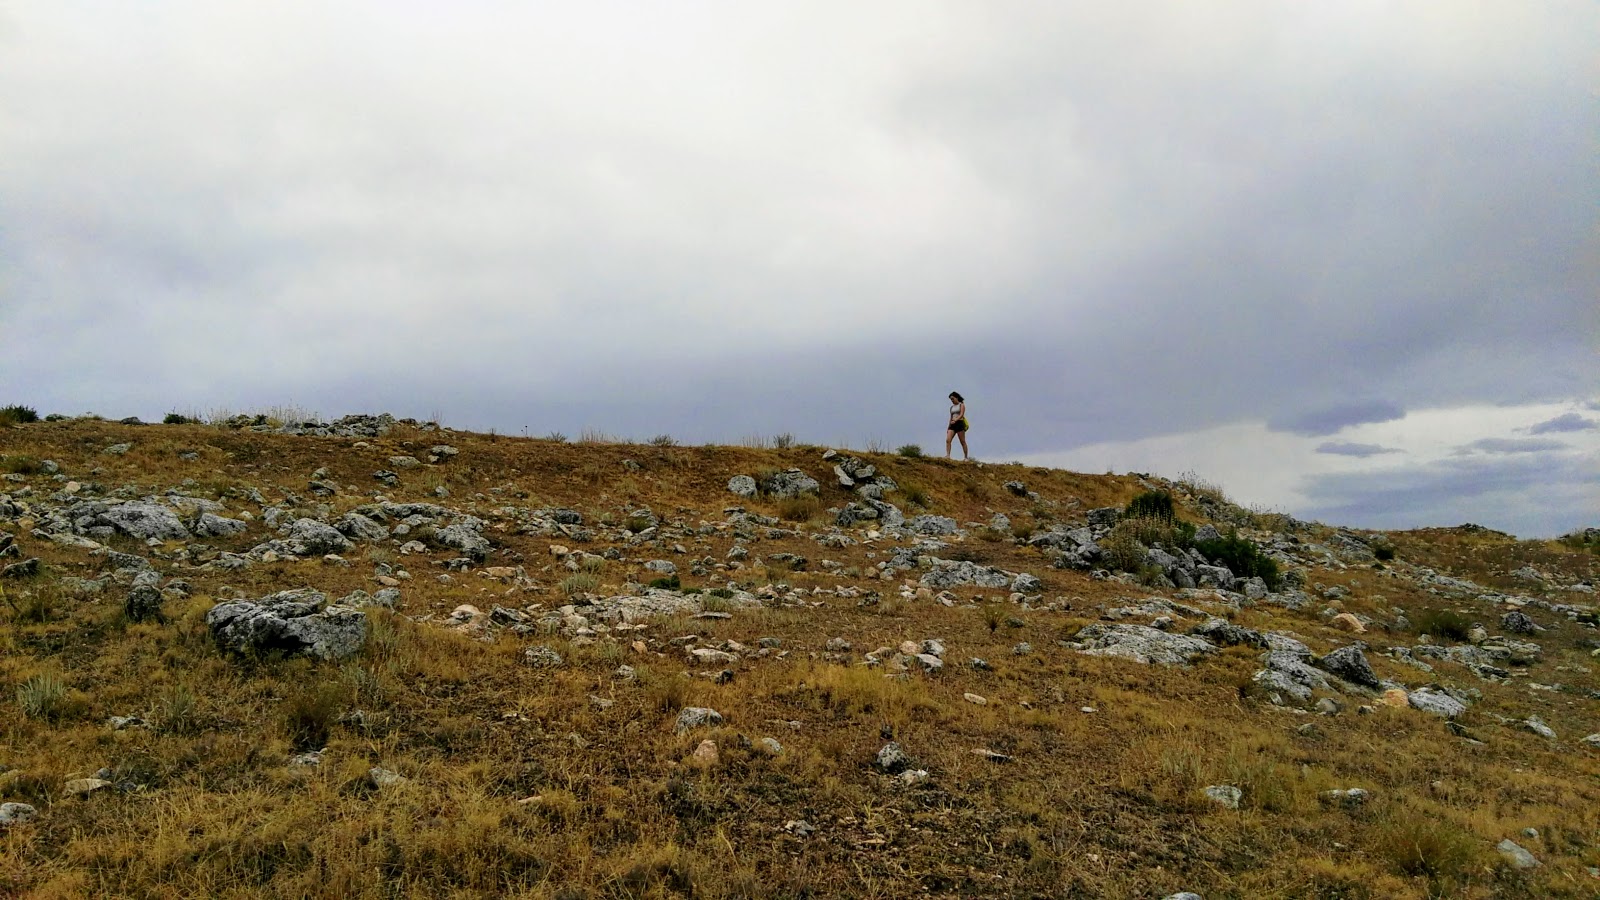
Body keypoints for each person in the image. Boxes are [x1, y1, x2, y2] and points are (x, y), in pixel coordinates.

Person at [945, 391, 969, 460]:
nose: (952, 400)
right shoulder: (951, 407)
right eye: (951, 399)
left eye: (952, 399)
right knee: (948, 440)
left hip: (959, 423)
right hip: (952, 424)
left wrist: (955, 420)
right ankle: (948, 455)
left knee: (962, 441)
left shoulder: (961, 405)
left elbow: (961, 414)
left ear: (956, 397)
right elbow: (951, 417)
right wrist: (948, 426)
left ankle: (966, 457)